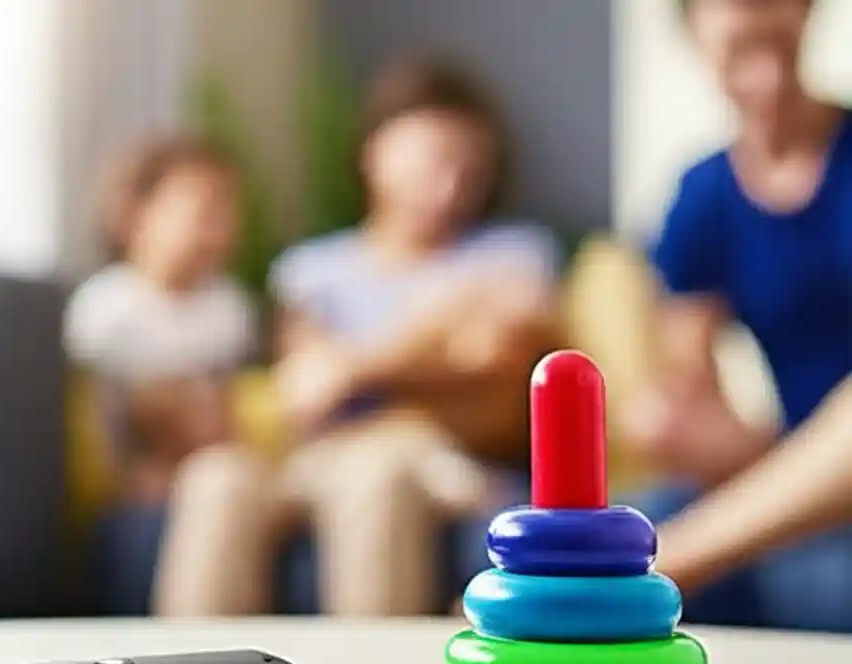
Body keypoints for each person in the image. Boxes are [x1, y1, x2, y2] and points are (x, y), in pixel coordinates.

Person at [158, 56, 561, 616]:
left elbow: (500, 363)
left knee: (375, 473)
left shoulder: (514, 252)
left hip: (436, 461)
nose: (451, 188)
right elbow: (307, 392)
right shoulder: (312, 270)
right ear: (377, 153)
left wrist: (359, 367)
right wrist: (447, 327)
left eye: (473, 171)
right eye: (436, 161)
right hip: (317, 460)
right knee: (216, 477)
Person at [624, 0, 852, 631]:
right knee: (632, 506)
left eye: (779, 45)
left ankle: (651, 571)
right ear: (699, 49)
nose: (768, 79)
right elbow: (692, 394)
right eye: (739, 54)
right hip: (797, 482)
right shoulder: (704, 197)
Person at [63, 136, 265, 615]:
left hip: (210, 460)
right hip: (137, 472)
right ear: (136, 216)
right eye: (202, 210)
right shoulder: (106, 308)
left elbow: (227, 403)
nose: (216, 230)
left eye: (227, 213)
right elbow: (97, 414)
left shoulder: (227, 306)